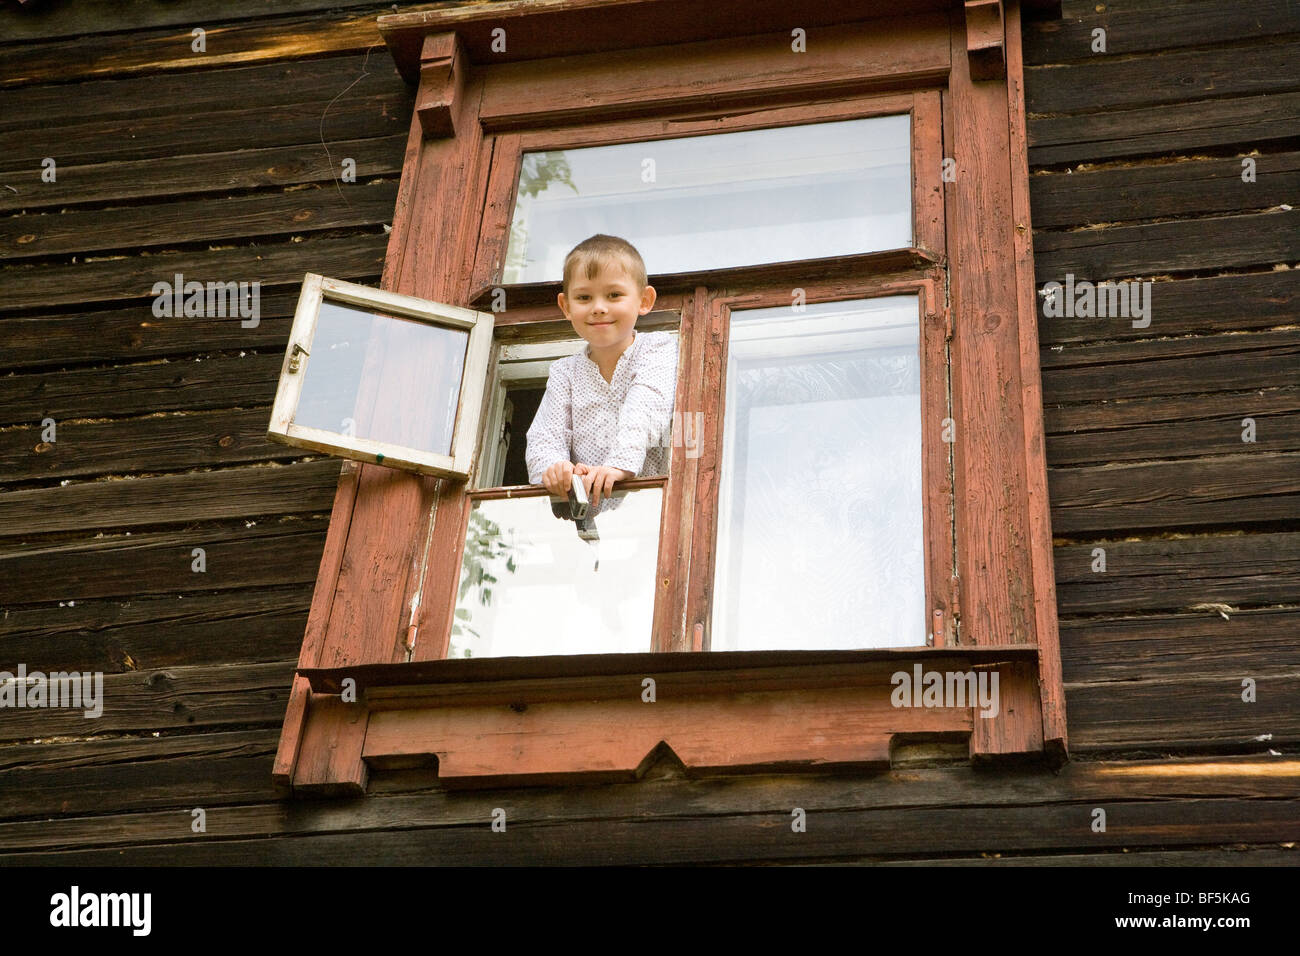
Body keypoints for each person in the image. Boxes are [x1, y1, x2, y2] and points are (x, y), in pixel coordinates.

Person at [525, 234, 677, 516]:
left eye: (614, 295)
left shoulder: (657, 349)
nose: (598, 307)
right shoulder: (564, 372)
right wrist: (556, 468)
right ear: (566, 306)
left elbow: (645, 407)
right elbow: (544, 438)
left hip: (653, 512)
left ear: (644, 300)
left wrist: (619, 464)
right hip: (587, 525)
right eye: (584, 297)